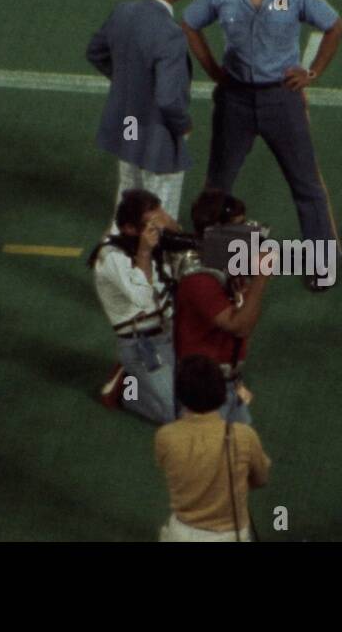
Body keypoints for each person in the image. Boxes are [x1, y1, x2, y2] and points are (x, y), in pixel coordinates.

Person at [182, 0, 342, 291]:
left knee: (307, 185)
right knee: (216, 186)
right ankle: (211, 263)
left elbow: (335, 26)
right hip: (235, 100)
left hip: (281, 99)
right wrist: (215, 71)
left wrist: (312, 73)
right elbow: (189, 24)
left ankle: (322, 265)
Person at [86, 0, 194, 226]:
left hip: (129, 124)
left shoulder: (123, 11)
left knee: (127, 201)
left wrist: (131, 84)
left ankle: (115, 258)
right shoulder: (170, 33)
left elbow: (96, 52)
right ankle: (151, 263)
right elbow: (168, 99)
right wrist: (183, 124)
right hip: (158, 133)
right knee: (159, 213)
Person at [174, 190, 270, 424]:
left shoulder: (224, 261)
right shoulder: (200, 279)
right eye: (239, 227)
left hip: (226, 380)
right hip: (204, 388)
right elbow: (240, 327)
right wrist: (261, 277)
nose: (248, 232)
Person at [156, 354, 271, 541]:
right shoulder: (244, 436)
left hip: (181, 533)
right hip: (229, 535)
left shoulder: (165, 436)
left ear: (181, 394)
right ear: (221, 392)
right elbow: (261, 478)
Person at [90, 189, 178, 424]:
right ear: (130, 228)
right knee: (174, 413)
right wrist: (145, 252)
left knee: (205, 395)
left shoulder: (155, 236)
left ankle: (142, 377)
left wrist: (171, 225)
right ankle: (125, 391)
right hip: (142, 343)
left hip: (170, 330)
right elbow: (141, 297)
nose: (158, 230)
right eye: (152, 224)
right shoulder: (110, 257)